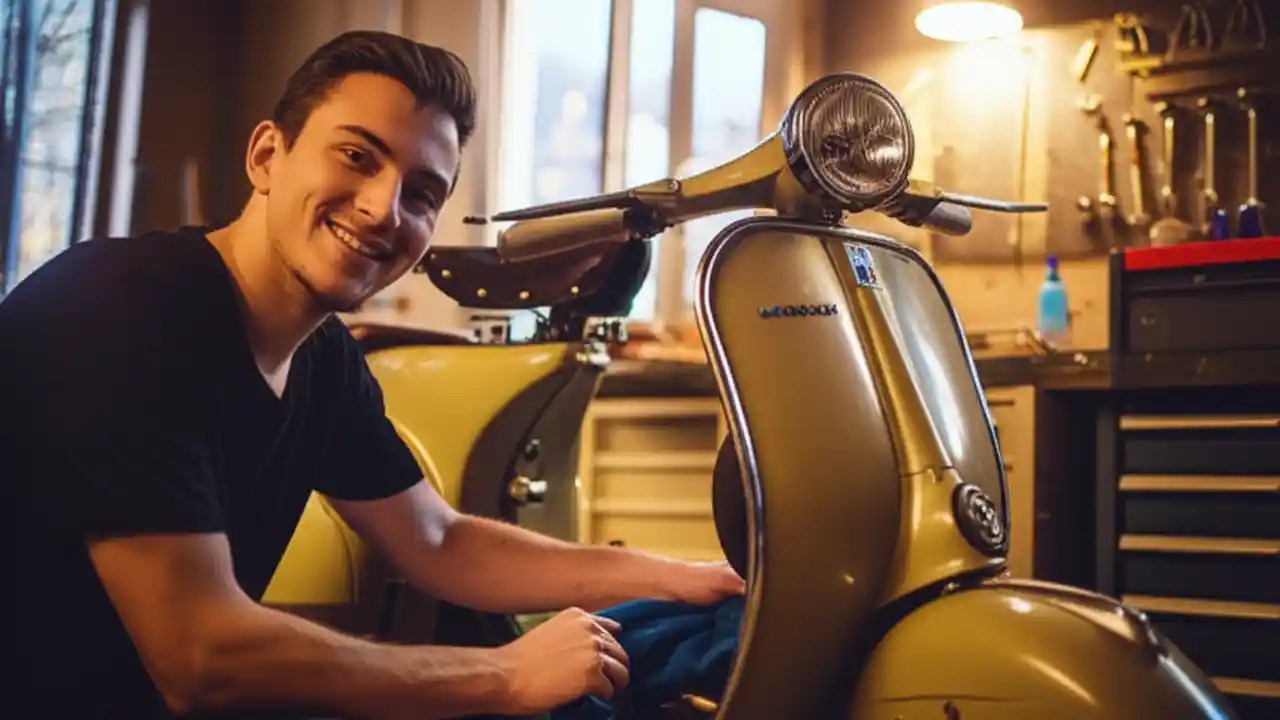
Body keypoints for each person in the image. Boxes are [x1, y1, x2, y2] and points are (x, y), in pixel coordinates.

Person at [3, 30, 743, 719]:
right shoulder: (128, 310)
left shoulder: (324, 360)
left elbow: (437, 541)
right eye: (357, 156)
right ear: (266, 156)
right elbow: (201, 655)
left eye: (422, 193)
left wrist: (674, 578)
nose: (384, 208)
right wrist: (508, 675)